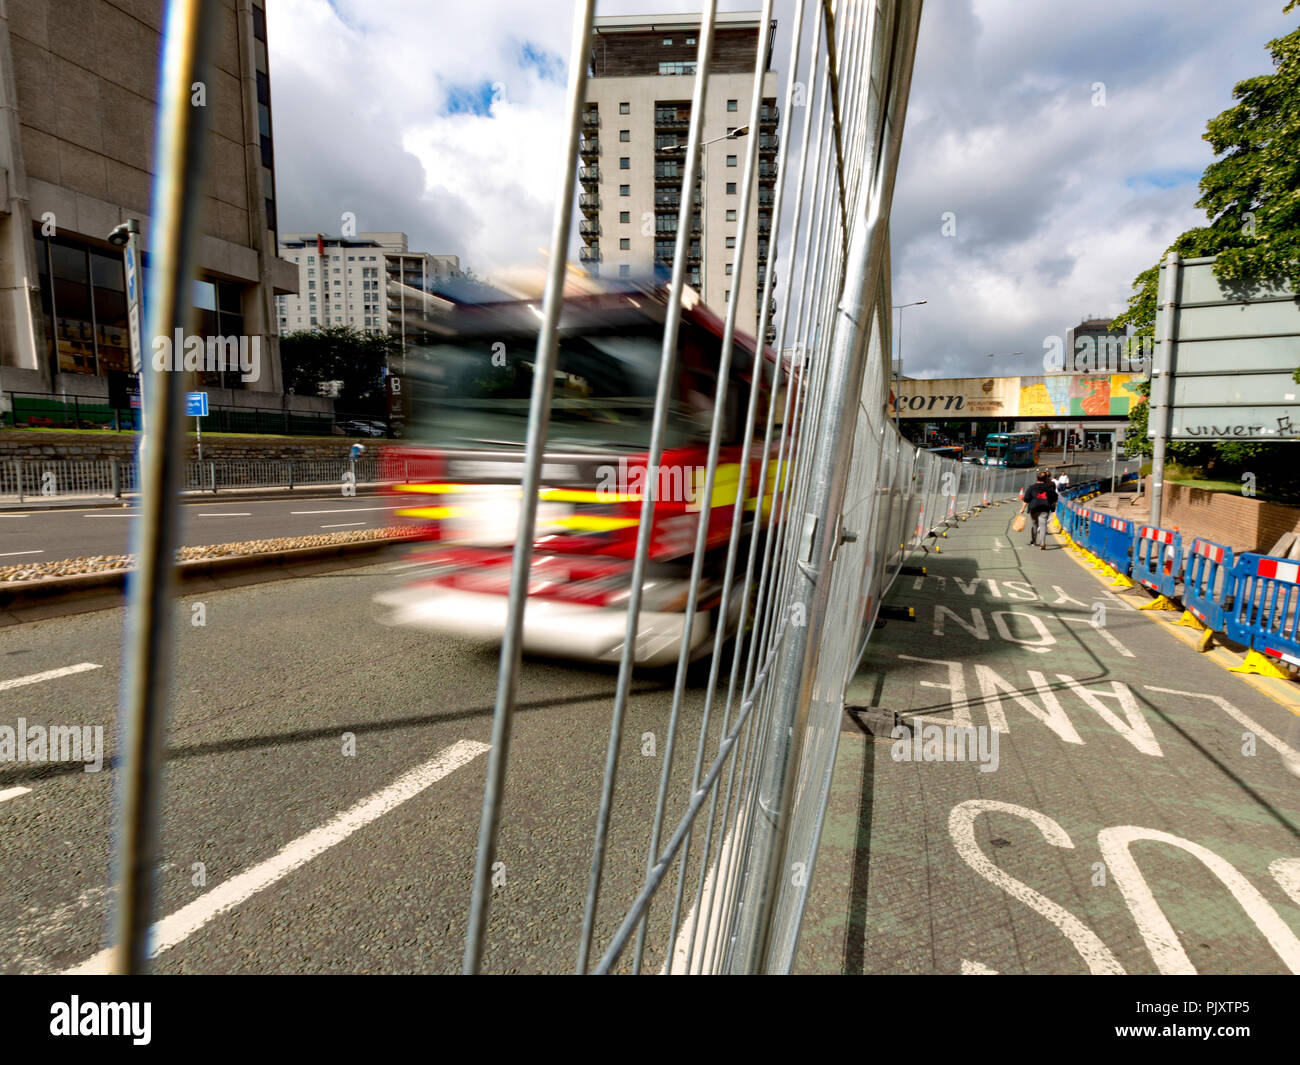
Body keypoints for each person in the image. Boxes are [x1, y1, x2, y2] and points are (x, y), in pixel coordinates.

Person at [1019, 469, 1058, 550]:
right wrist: (1053, 505)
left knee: (1034, 525)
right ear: (1046, 478)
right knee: (1043, 526)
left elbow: (1026, 499)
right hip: (1045, 508)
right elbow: (1055, 499)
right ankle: (1042, 542)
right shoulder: (1049, 487)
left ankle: (1033, 541)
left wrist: (1022, 508)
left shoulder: (1032, 487)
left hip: (1034, 508)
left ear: (1037, 478)